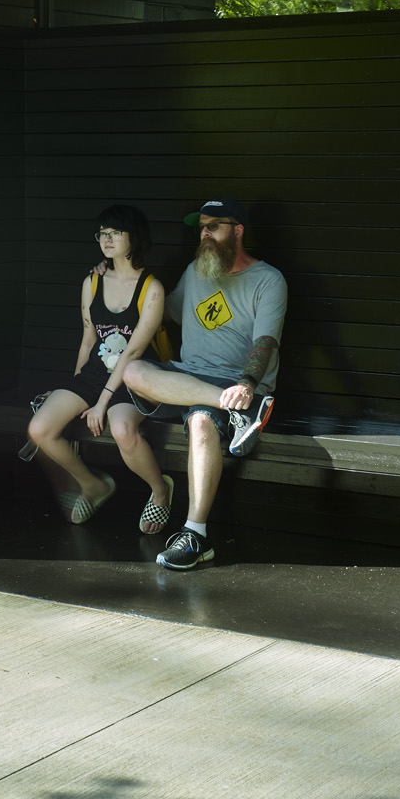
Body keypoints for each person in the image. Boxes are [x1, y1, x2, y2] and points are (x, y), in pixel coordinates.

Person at [98, 198, 284, 569]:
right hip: (190, 378)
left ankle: (195, 535)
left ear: (238, 230)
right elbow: (161, 309)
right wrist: (119, 275)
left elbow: (266, 342)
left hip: (236, 379)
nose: (204, 233)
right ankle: (235, 412)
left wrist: (247, 383)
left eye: (213, 226)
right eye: (201, 227)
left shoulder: (268, 279)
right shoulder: (196, 271)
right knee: (132, 369)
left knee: (201, 421)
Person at [22, 205, 168, 524]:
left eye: (115, 232)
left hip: (134, 380)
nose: (107, 239)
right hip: (94, 375)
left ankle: (159, 490)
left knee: (121, 429)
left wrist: (100, 403)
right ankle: (94, 485)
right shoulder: (92, 281)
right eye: (102, 233)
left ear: (135, 237)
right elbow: (89, 339)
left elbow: (132, 353)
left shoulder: (151, 288)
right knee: (39, 428)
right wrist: (73, 390)